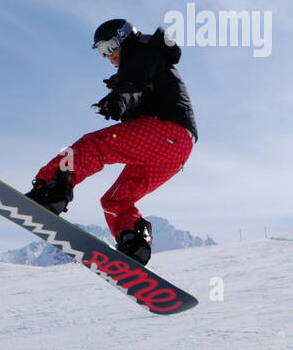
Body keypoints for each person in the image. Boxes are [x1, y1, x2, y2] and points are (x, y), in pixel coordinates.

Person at [27, 19, 197, 265]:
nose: (107, 56)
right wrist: (119, 92)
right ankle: (135, 243)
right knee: (116, 200)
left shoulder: (143, 53)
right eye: (100, 51)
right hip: (175, 152)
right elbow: (138, 88)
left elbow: (134, 85)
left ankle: (51, 189)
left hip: (167, 132)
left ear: (124, 39)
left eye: (108, 47)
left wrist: (119, 99)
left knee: (93, 145)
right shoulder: (147, 61)